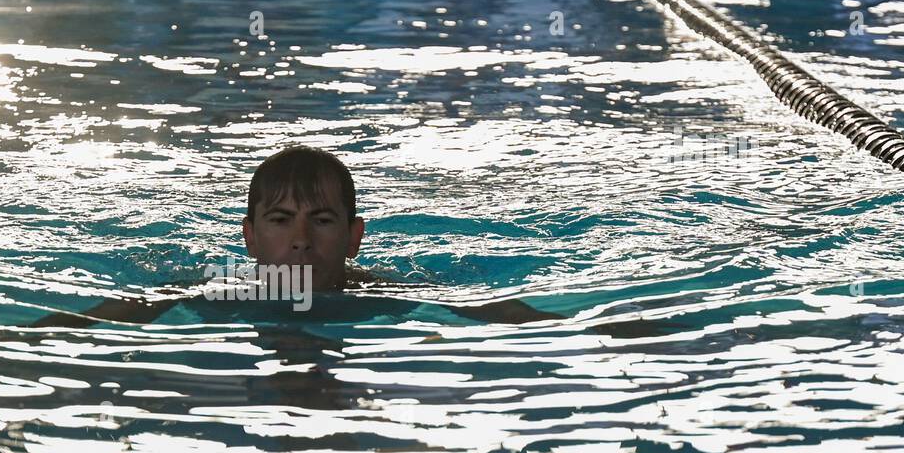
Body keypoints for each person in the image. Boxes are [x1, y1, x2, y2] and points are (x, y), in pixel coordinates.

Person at [32, 145, 660, 333]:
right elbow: (125, 310)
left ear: (355, 237)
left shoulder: (376, 293)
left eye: (322, 221)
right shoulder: (227, 291)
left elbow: (485, 310)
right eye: (280, 221)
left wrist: (586, 328)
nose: (301, 241)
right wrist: (10, 340)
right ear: (249, 239)